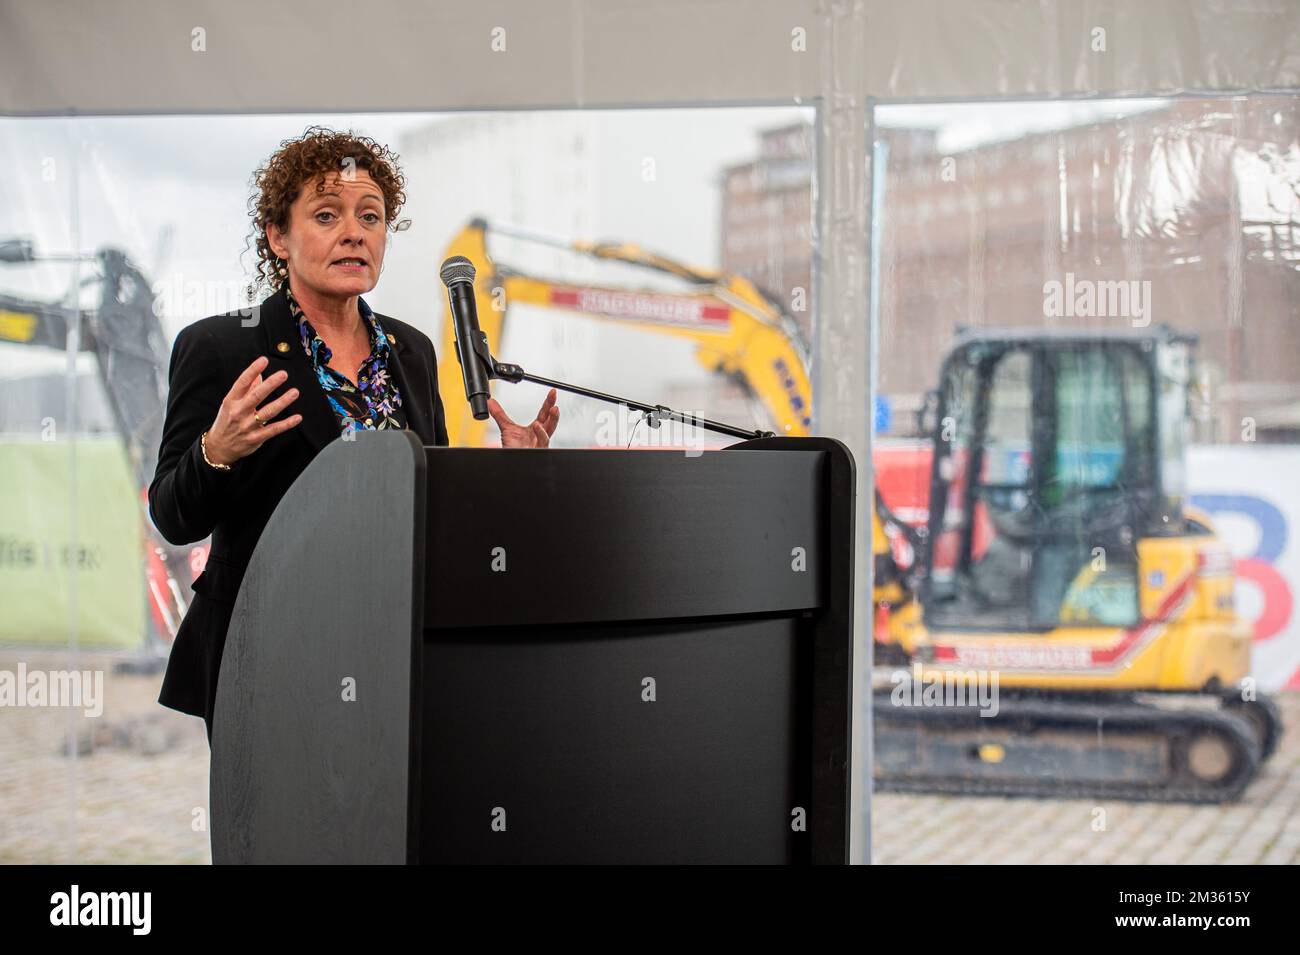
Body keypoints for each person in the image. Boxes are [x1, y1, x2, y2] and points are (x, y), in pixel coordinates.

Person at [148, 127, 560, 743]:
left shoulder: (412, 351)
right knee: (281, 837)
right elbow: (172, 518)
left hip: (394, 648)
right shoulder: (221, 346)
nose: (355, 232)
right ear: (278, 237)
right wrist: (217, 452)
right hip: (268, 655)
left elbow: (433, 507)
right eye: (326, 214)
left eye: (371, 216)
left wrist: (505, 478)